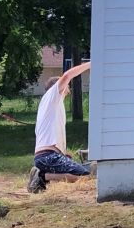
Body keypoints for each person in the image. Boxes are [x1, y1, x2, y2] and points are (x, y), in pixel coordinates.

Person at [27, 61, 93, 192]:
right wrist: (91, 64)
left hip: (46, 156)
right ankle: (42, 176)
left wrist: (63, 154)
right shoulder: (52, 96)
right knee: (84, 175)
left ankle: (42, 174)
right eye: (66, 87)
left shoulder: (51, 106)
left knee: (80, 174)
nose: (68, 90)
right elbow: (67, 75)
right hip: (48, 156)